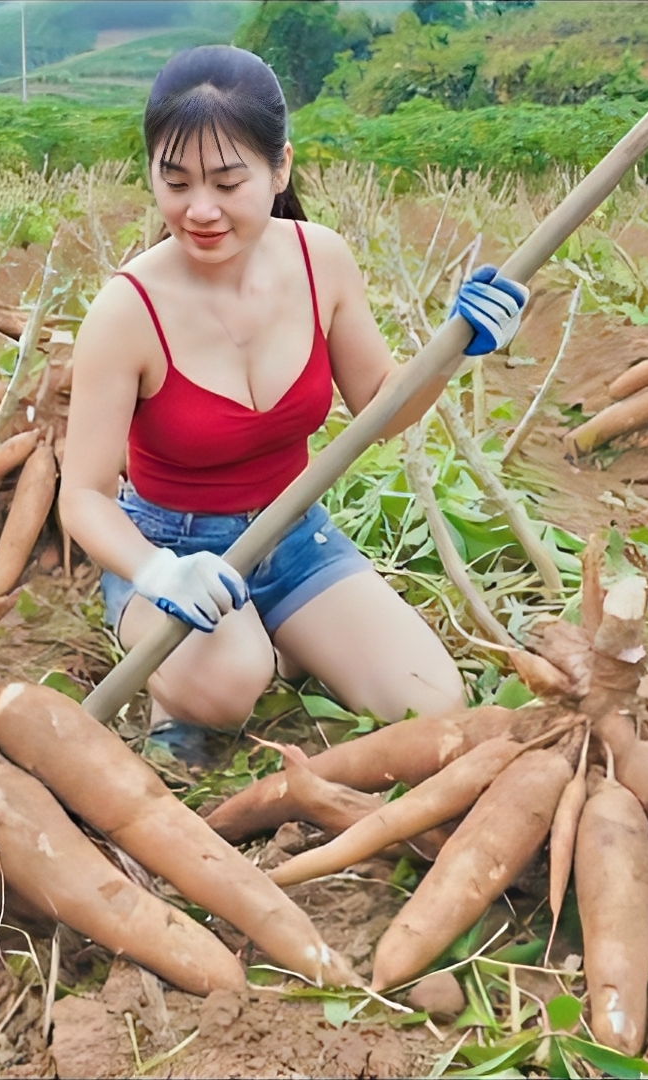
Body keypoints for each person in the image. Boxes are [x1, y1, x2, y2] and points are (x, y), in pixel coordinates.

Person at [58, 45, 528, 764]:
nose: (200, 209)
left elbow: (382, 407)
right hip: (170, 548)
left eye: (227, 181)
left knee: (429, 700)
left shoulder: (321, 260)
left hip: (292, 535)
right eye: (175, 181)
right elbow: (83, 497)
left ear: (279, 168)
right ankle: (197, 664)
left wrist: (456, 351)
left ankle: (271, 627)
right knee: (229, 686)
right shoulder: (128, 310)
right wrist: (157, 573)